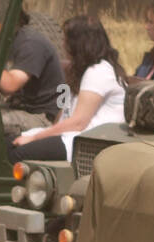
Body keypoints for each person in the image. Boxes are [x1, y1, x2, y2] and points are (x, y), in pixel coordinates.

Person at [8, 15, 125, 163]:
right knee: (6, 144)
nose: (63, 45)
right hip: (69, 136)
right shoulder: (80, 71)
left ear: (79, 44)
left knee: (18, 153)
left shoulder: (98, 72)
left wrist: (35, 138)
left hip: (84, 143)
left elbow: (78, 123)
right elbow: (64, 110)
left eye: (66, 40)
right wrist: (44, 133)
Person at [0, 10, 66, 137]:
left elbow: (10, 85)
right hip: (16, 107)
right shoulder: (6, 40)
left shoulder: (30, 43)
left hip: (41, 117)